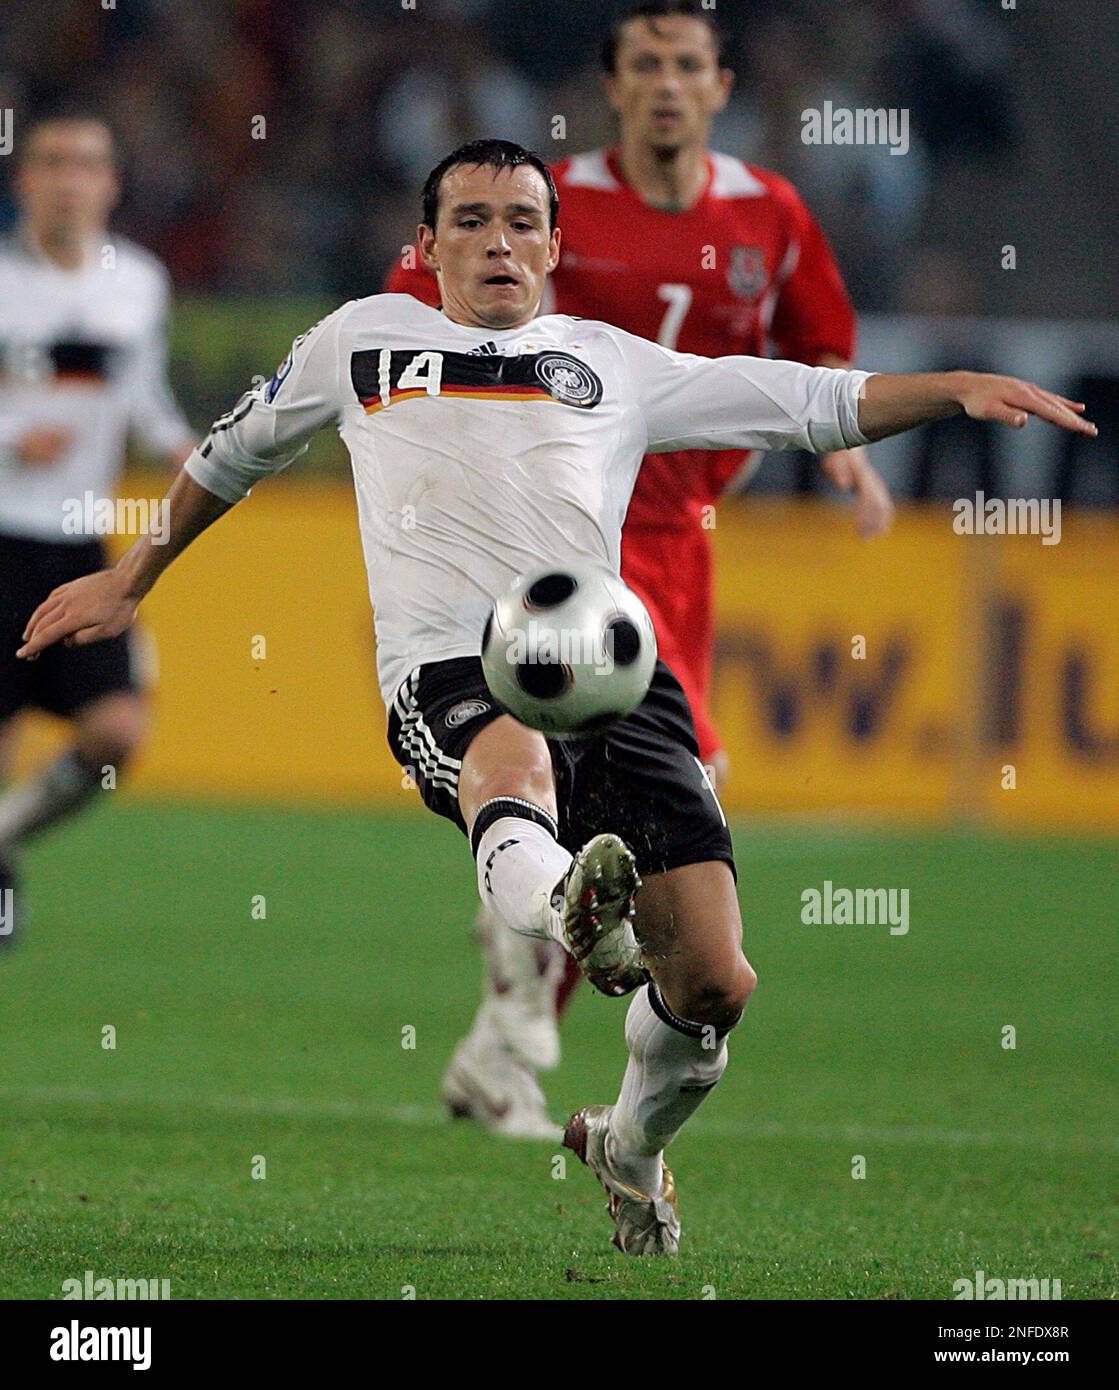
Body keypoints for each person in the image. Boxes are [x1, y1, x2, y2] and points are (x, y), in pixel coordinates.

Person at [17, 141, 1094, 1255]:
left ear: (555, 245)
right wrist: (131, 575)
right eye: (472, 221)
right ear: (425, 247)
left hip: (619, 676)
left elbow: (808, 401)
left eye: (523, 222)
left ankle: (626, 1140)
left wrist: (955, 391)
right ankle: (567, 909)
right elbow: (231, 453)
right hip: (452, 670)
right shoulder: (362, 343)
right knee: (510, 766)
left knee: (717, 980)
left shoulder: (610, 363)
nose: (499, 243)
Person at [385, 1, 895, 1138]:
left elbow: (822, 351)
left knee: (641, 804)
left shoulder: (773, 211)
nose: (667, 84)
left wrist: (850, 457)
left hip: (687, 543)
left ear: (723, 86)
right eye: (645, 65)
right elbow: (416, 301)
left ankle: (506, 1045)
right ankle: (518, 1047)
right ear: (613, 87)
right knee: (647, 793)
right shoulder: (541, 204)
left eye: (688, 65)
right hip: (568, 546)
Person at [0, 114, 195, 943]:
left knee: (116, 733)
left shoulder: (139, 284)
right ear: (24, 180)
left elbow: (142, 397)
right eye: (51, 161)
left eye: (86, 164)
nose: (69, 178)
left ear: (111, 184)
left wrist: (191, 448)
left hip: (79, 546)